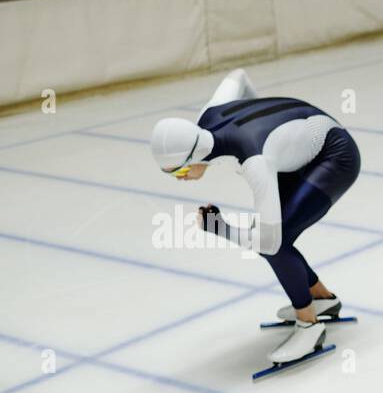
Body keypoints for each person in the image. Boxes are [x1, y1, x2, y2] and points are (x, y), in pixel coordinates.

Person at [148, 68, 361, 366]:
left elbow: (269, 242)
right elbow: (238, 76)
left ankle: (309, 325)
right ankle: (322, 298)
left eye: (179, 172)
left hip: (336, 157)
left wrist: (220, 228)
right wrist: (272, 132)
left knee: (273, 240)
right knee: (270, 231)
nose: (180, 179)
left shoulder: (256, 161)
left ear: (192, 156)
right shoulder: (207, 117)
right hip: (302, 151)